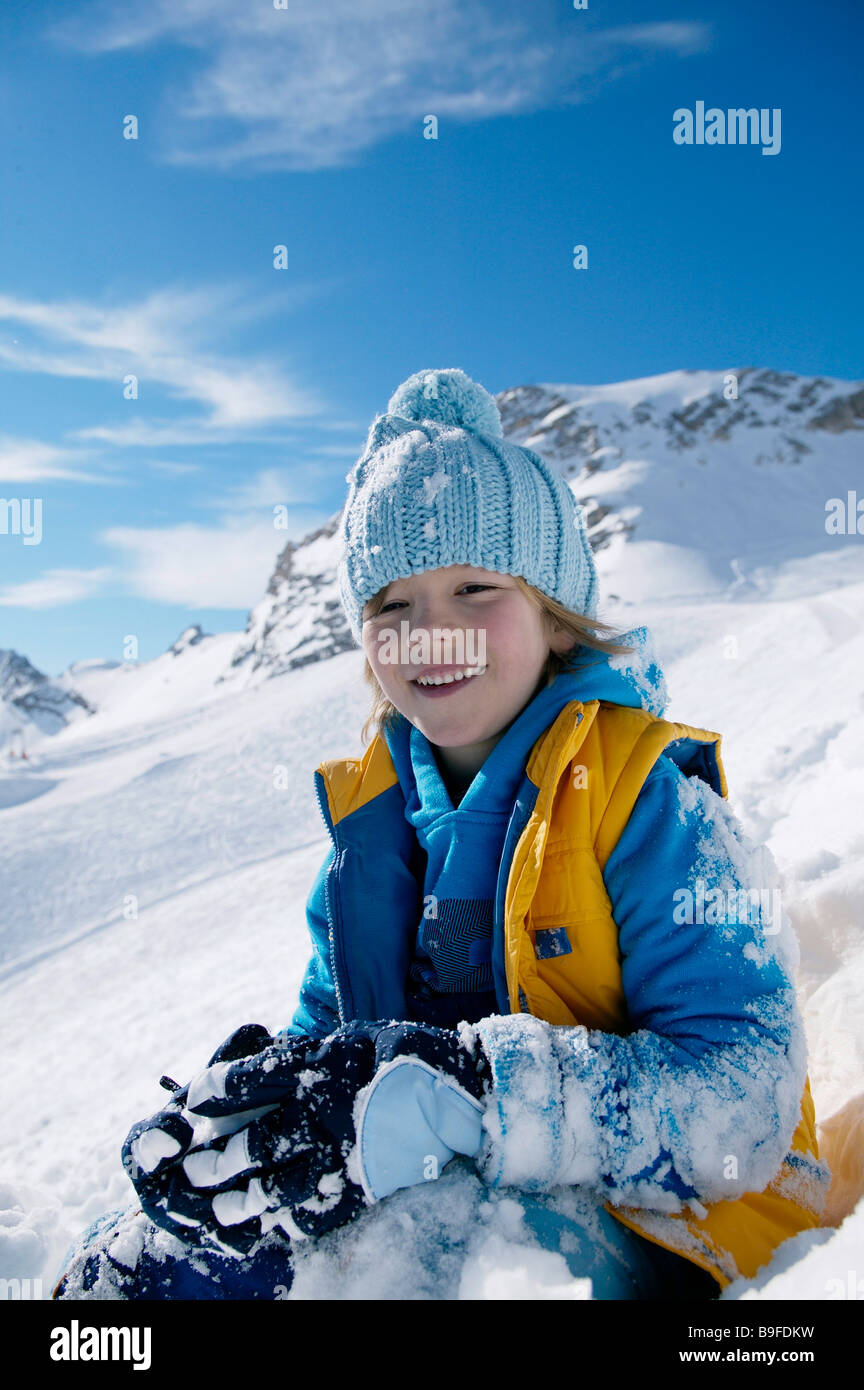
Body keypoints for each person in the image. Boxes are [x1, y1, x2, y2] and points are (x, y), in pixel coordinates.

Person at [53, 368, 830, 1302]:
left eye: (474, 587)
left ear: (553, 612)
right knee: (135, 1271)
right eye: (392, 604)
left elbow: (742, 1098)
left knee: (418, 1263)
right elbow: (337, 1040)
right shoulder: (368, 834)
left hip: (671, 1223)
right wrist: (269, 1102)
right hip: (452, 1195)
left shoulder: (648, 800)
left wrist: (471, 1091)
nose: (434, 633)